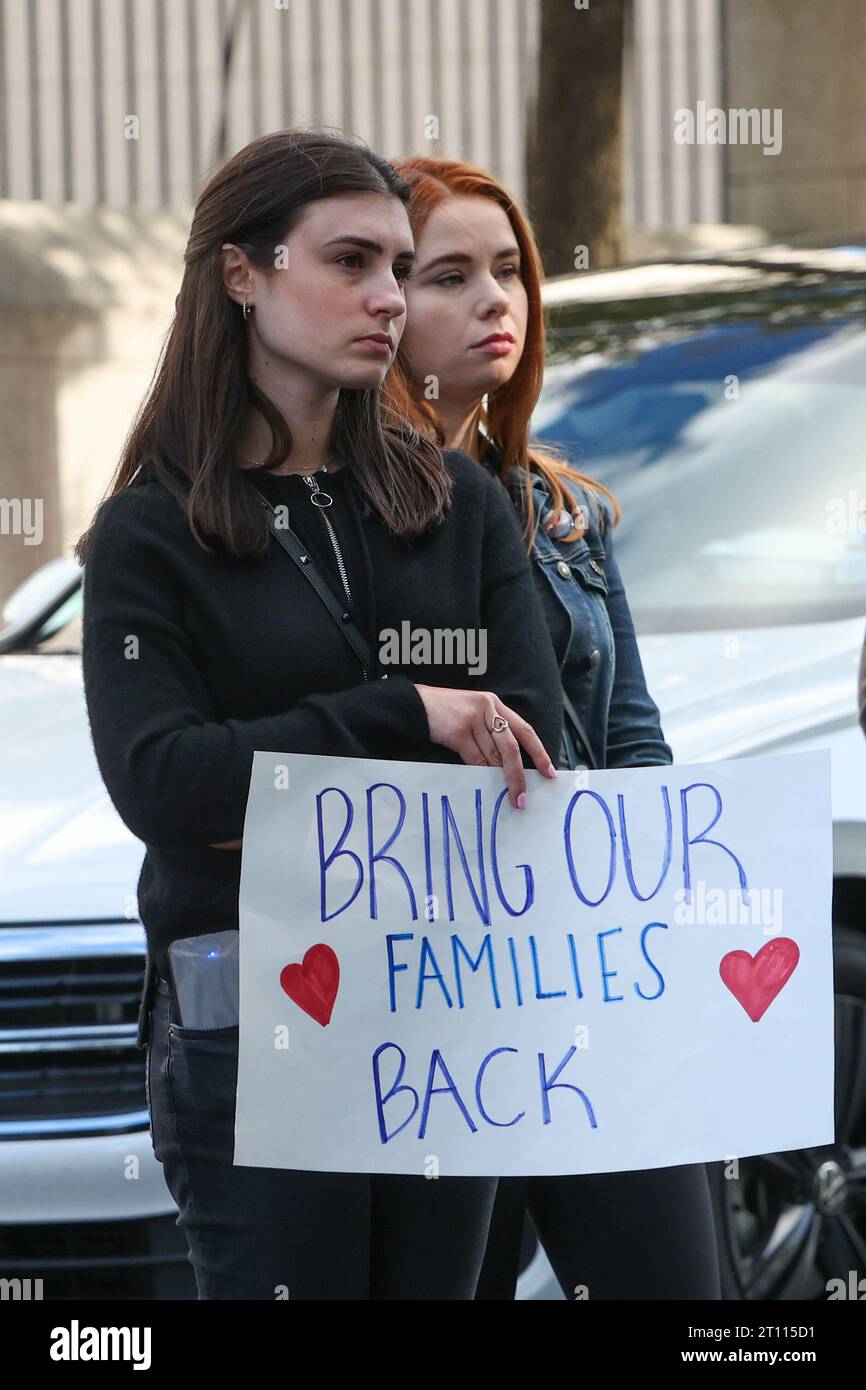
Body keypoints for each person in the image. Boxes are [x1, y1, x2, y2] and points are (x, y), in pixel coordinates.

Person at [75, 130, 566, 1301]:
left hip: (444, 1007)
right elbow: (166, 785)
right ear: (241, 274)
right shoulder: (152, 535)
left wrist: (281, 781)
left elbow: (540, 748)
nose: (388, 298)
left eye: (399, 266)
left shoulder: (454, 506)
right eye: (350, 261)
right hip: (252, 1022)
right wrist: (411, 712)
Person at [384, 153, 722, 1300]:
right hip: (428, 1008)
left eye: (510, 271)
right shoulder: (335, 527)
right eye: (449, 277)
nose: (496, 302)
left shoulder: (563, 511)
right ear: (381, 301)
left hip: (591, 985)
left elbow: (634, 746)